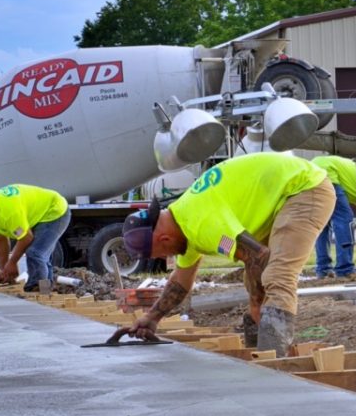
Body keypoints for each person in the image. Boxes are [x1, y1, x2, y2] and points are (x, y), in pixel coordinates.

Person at [121, 152, 334, 356]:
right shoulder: (182, 222)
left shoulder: (202, 224)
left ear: (164, 240)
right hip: (279, 197)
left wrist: (256, 305)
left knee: (277, 276)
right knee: (254, 281)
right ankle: (261, 352)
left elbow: (257, 256)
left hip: (304, 189)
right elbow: (180, 281)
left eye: (159, 254)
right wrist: (152, 317)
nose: (163, 258)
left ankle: (274, 364)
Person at [0, 184, 72, 292]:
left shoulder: (8, 214)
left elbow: (26, 238)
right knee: (40, 255)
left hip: (54, 211)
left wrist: (12, 263)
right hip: (38, 215)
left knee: (35, 252)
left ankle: (38, 288)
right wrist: (4, 270)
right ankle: (45, 289)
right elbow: (0, 241)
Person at [311, 154, 356, 278]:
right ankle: (345, 269)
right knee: (345, 221)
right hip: (328, 172)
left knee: (322, 222)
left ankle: (323, 269)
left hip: (312, 171)